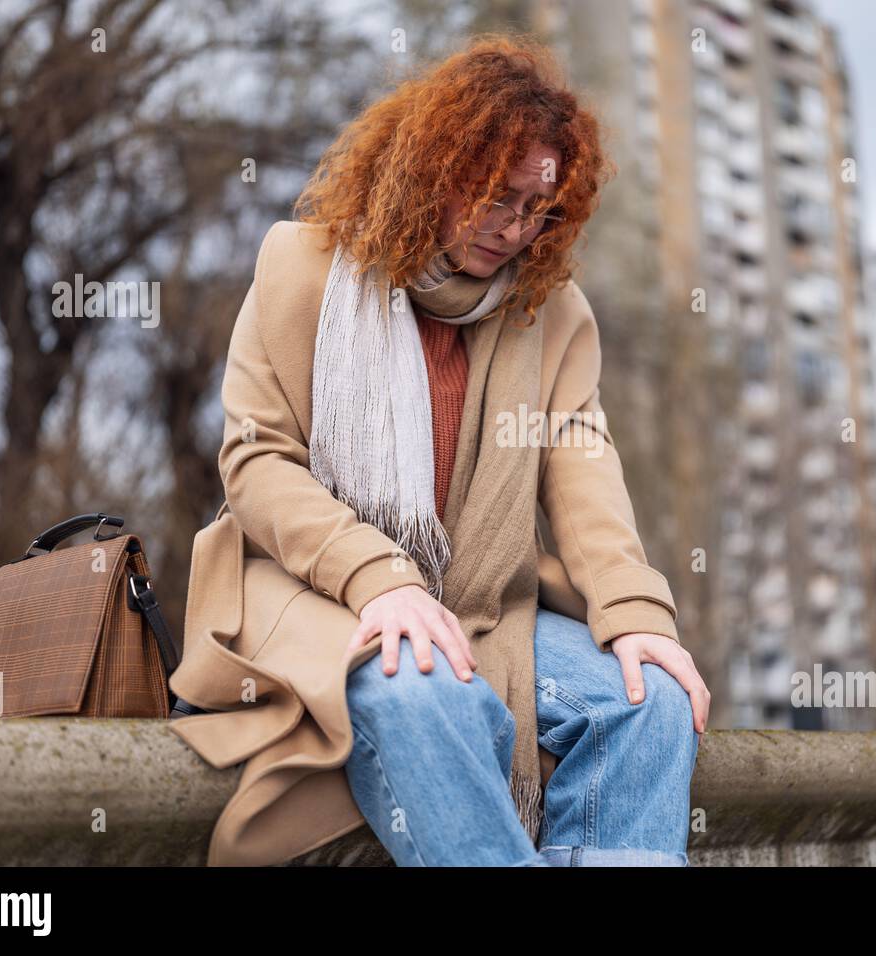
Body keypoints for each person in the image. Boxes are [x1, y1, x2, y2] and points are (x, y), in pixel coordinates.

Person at [171, 33, 710, 868]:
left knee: (652, 702)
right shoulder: (302, 267)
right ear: (436, 164)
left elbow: (581, 467)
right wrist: (378, 578)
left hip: (483, 603)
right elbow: (256, 463)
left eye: (540, 209)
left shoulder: (550, 312)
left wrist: (636, 614)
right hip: (312, 590)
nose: (515, 229)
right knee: (419, 687)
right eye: (498, 197)